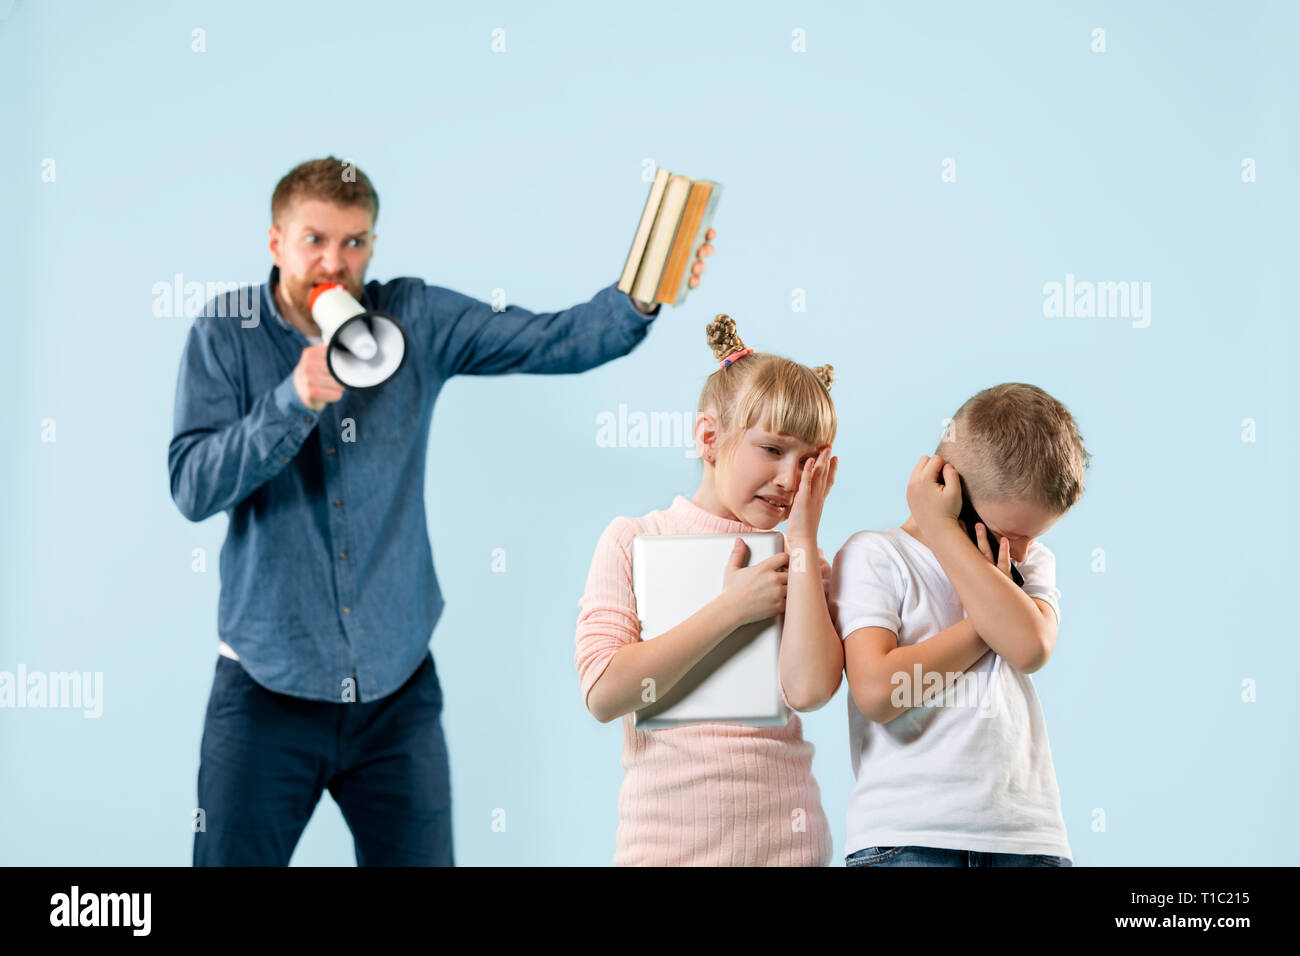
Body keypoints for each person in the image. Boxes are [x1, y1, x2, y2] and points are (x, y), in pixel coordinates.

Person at [169, 156, 716, 866]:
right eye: (314, 241)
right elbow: (192, 487)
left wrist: (646, 295)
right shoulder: (225, 333)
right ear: (276, 242)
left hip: (396, 696)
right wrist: (289, 402)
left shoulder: (414, 318)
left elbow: (553, 339)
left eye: (355, 242)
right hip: (268, 690)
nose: (335, 262)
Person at [574, 314, 841, 865]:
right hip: (665, 849)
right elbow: (605, 692)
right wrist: (731, 611)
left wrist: (804, 540)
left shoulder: (802, 561)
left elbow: (810, 690)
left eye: (808, 461)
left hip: (789, 848)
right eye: (772, 450)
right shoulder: (634, 538)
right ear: (709, 437)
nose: (791, 479)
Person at [830, 383, 1089, 867]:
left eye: (1035, 538)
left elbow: (1030, 648)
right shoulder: (878, 555)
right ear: (949, 494)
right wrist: (943, 533)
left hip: (1027, 841)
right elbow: (880, 692)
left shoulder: (1029, 563)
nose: (1023, 554)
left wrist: (953, 540)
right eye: (1010, 536)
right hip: (907, 837)